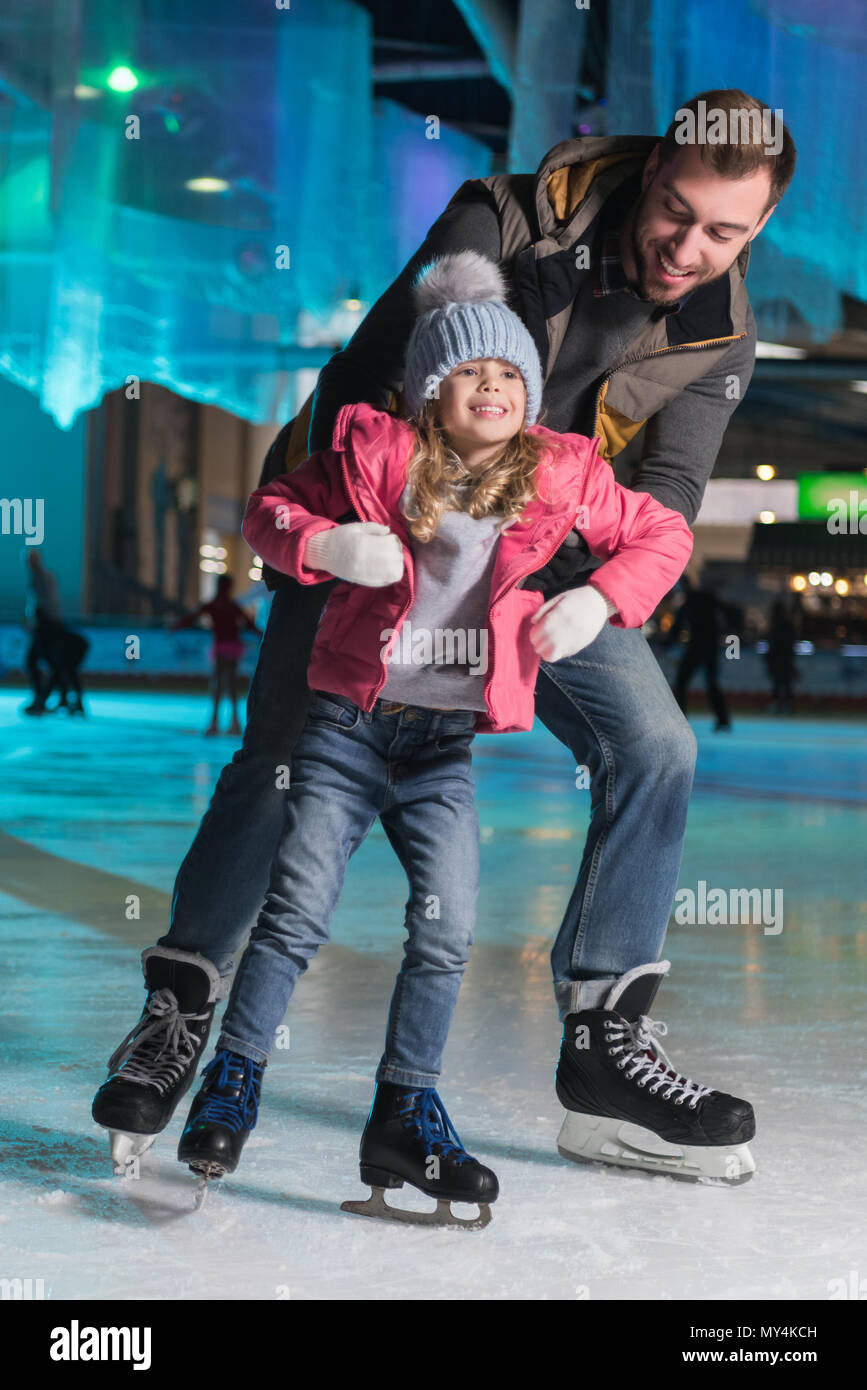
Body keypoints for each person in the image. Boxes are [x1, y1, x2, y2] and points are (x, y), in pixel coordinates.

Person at [93, 87, 795, 1186]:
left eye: (725, 232)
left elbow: (668, 489)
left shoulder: (720, 328)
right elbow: (358, 384)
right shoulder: (503, 219)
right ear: (650, 173)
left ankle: (605, 1041)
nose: (688, 247)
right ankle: (181, 1006)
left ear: (758, 231)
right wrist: (336, 545)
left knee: (657, 743)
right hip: (375, 511)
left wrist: (596, 595)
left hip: (536, 547)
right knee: (283, 757)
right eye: (676, 211)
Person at [170, 573, 262, 735]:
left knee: (219, 684)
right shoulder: (231, 605)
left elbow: (191, 618)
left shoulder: (213, 604)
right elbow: (249, 625)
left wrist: (176, 626)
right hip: (232, 647)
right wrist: (263, 634)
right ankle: (234, 723)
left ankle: (215, 723)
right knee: (230, 683)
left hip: (222, 647)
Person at [668, 572, 734, 730]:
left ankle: (681, 717)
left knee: (682, 682)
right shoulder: (706, 598)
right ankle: (723, 720)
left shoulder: (691, 601)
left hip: (698, 646)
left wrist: (667, 642)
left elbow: (677, 627)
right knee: (711, 683)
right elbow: (728, 611)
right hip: (709, 646)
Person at [22, 550, 61, 716]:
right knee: (51, 663)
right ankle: (44, 698)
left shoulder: (42, 579)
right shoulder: (39, 578)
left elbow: (44, 604)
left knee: (36, 662)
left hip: (46, 627)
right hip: (45, 626)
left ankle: (41, 699)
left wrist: (36, 621)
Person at [764, 599, 798, 714]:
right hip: (784, 659)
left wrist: (769, 657)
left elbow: (774, 643)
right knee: (783, 683)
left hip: (780, 659)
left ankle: (781, 705)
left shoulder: (778, 626)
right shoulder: (785, 625)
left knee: (780, 683)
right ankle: (785, 705)